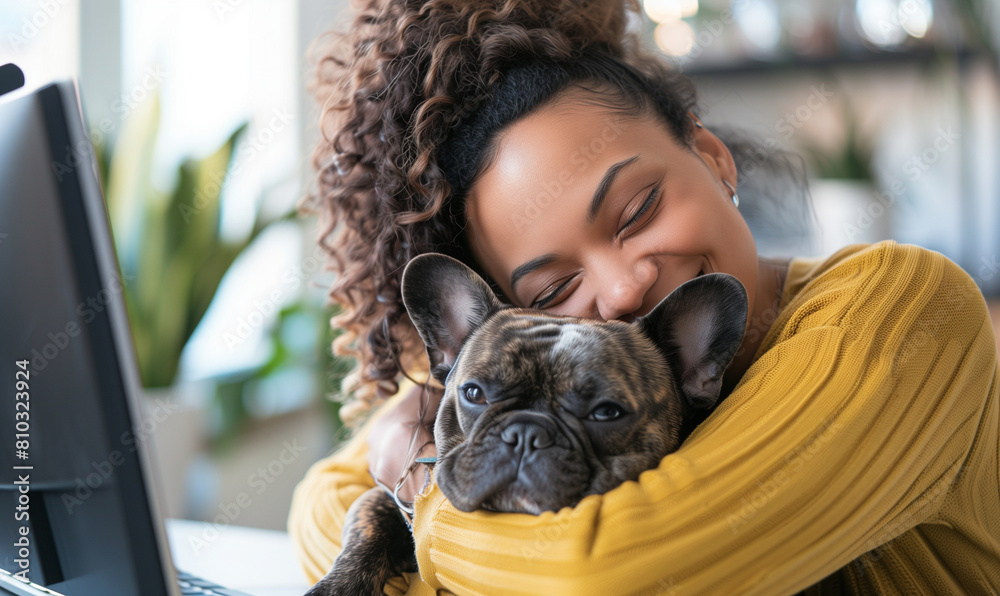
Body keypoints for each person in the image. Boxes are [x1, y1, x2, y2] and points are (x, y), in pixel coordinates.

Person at [288, 0, 1000, 594]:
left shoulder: (900, 311)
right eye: (555, 288)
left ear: (712, 157)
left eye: (637, 210)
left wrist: (424, 496)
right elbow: (319, 505)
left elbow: (601, 573)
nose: (625, 286)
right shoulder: (527, 373)